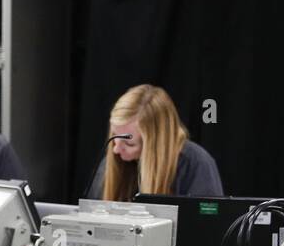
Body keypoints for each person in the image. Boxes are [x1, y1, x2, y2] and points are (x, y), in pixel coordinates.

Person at [85, 84, 223, 200]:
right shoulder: (113, 161)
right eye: (115, 137)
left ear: (155, 144)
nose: (116, 149)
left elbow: (206, 227)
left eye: (129, 143)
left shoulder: (195, 164)